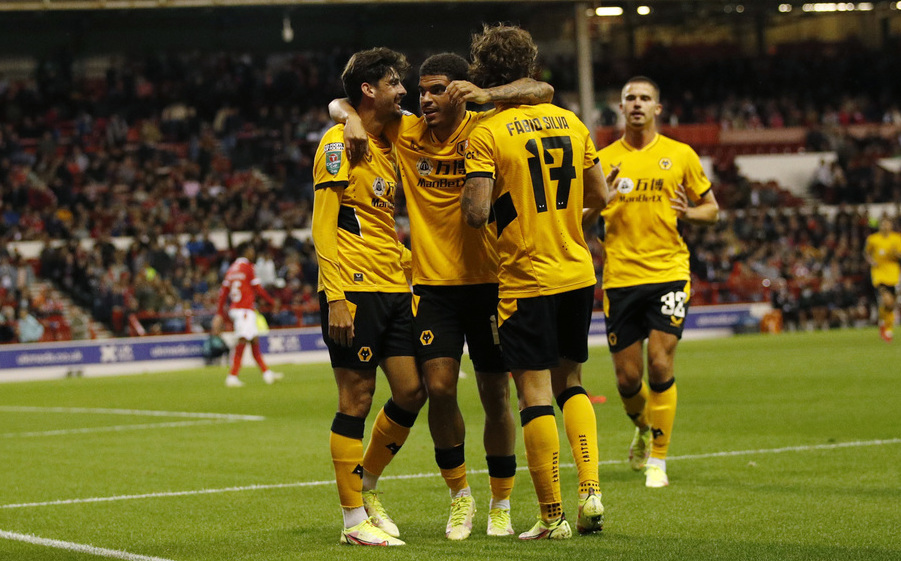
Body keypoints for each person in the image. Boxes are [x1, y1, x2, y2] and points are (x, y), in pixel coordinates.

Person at [330, 53, 553, 540]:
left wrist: (488, 95)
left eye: (437, 91)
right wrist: (346, 115)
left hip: (492, 282)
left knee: (497, 395)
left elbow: (542, 92)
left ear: (461, 92)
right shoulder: (404, 132)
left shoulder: (486, 127)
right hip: (432, 287)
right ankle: (460, 497)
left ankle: (501, 501)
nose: (424, 99)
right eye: (421, 90)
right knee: (438, 390)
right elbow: (344, 103)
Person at [462, 24, 608, 540]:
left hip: (527, 278)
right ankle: (590, 489)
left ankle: (552, 517)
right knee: (573, 384)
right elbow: (602, 195)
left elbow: (477, 214)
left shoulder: (486, 133)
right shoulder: (569, 120)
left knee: (533, 394)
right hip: (576, 269)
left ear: (483, 72)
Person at [312, 47, 427, 547]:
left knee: (411, 392)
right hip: (353, 290)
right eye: (395, 83)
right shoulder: (339, 144)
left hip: (393, 287)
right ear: (369, 90)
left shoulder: (386, 138)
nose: (404, 91)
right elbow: (322, 225)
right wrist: (335, 296)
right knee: (356, 399)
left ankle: (368, 483)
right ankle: (352, 521)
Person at [597, 76, 719, 488]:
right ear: (620, 106)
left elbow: (712, 210)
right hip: (621, 278)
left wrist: (688, 213)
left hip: (668, 272)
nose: (636, 104)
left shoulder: (680, 155)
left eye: (644, 98)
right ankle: (644, 427)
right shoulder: (601, 159)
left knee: (661, 363)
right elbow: (575, 218)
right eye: (630, 97)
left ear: (657, 108)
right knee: (627, 380)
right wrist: (601, 201)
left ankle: (659, 461)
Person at [215, 241, 283, 387]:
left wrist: (220, 312)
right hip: (244, 309)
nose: (253, 253)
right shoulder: (248, 267)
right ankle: (232, 376)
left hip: (238, 309)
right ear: (245, 251)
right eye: (251, 250)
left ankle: (267, 374)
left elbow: (223, 293)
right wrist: (272, 302)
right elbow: (258, 288)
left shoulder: (232, 269)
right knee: (243, 341)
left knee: (254, 341)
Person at [864, 217, 901, 342]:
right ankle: (885, 328)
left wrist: (896, 254)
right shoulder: (873, 239)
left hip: (893, 274)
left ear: (891, 226)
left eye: (887, 225)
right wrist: (871, 261)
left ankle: (885, 325)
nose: (885, 227)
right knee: (887, 300)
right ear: (880, 226)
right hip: (879, 273)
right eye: (883, 225)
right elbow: (867, 253)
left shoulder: (897, 238)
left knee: (891, 305)